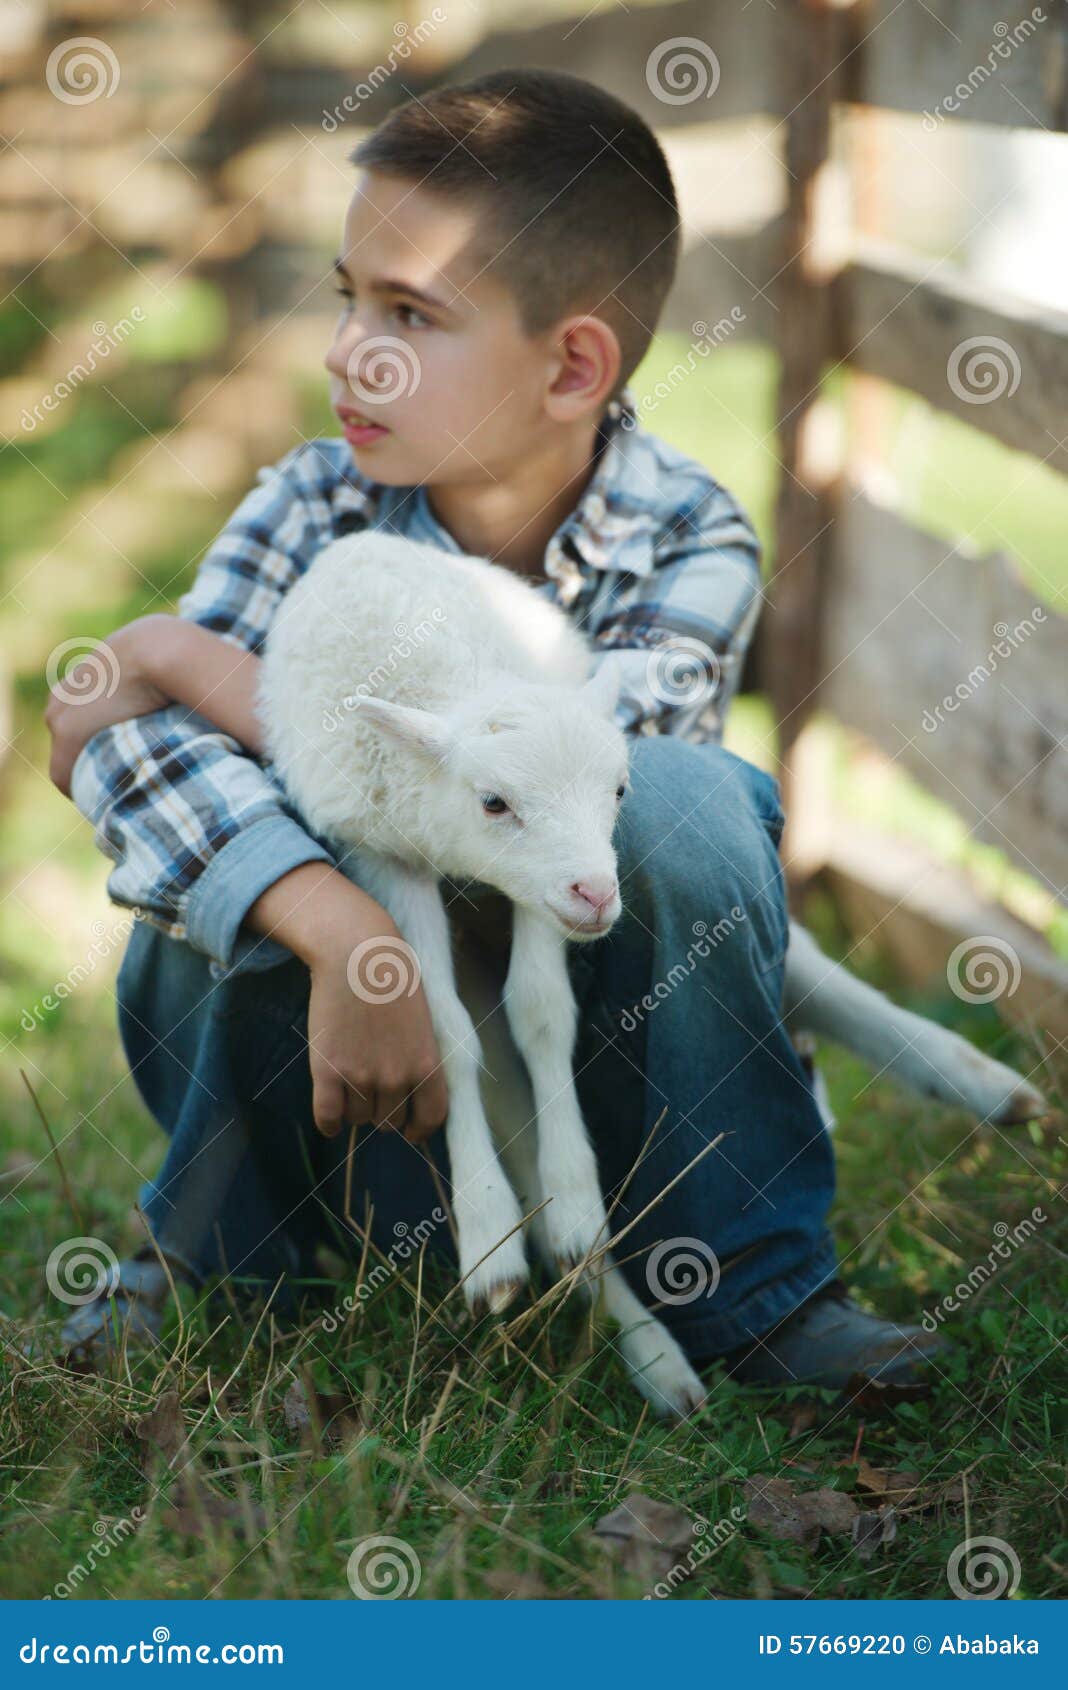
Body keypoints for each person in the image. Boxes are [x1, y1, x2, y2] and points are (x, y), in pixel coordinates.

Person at [44, 67, 943, 1392]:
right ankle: (228, 1265)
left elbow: (584, 797)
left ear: (573, 362)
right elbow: (120, 750)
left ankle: (746, 1290)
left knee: (692, 808)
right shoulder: (307, 505)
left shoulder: (682, 535)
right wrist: (341, 927)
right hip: (375, 1111)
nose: (351, 348)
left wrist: (186, 662)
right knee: (222, 862)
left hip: (595, 1082)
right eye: (349, 297)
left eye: (408, 313)